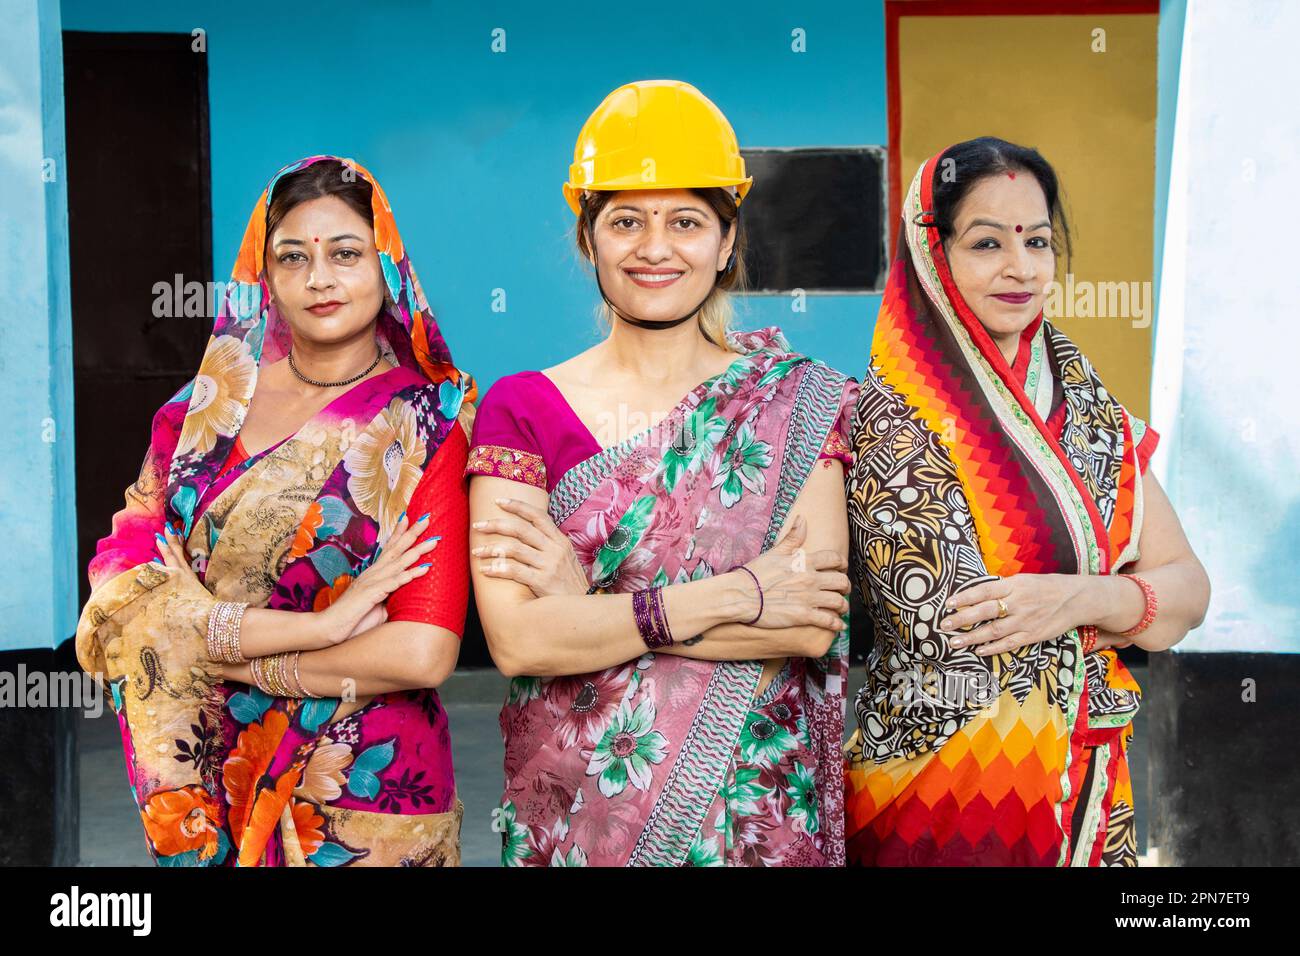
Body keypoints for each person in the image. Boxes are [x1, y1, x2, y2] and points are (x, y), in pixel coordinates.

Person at [466, 80, 859, 866]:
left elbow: (808, 623)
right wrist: (738, 596)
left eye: (685, 221)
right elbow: (518, 640)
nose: (655, 247)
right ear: (590, 241)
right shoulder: (522, 410)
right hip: (581, 821)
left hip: (759, 816)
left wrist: (592, 612)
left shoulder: (797, 401)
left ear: (725, 240)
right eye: (625, 221)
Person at [75, 155, 477, 866]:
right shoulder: (201, 414)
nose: (319, 277)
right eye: (292, 257)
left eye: (346, 253)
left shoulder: (428, 423)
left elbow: (422, 651)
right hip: (209, 769)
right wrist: (315, 629)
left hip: (362, 789)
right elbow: (123, 588)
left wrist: (231, 658)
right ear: (264, 276)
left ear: (387, 267)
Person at [843, 137, 1211, 866]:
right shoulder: (874, 421)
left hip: (1082, 787)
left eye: (1037, 241)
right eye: (986, 243)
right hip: (930, 801)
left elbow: (1190, 593)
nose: (1021, 268)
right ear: (932, 255)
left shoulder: (1090, 414)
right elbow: (947, 623)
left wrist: (1078, 599)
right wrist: (1122, 602)